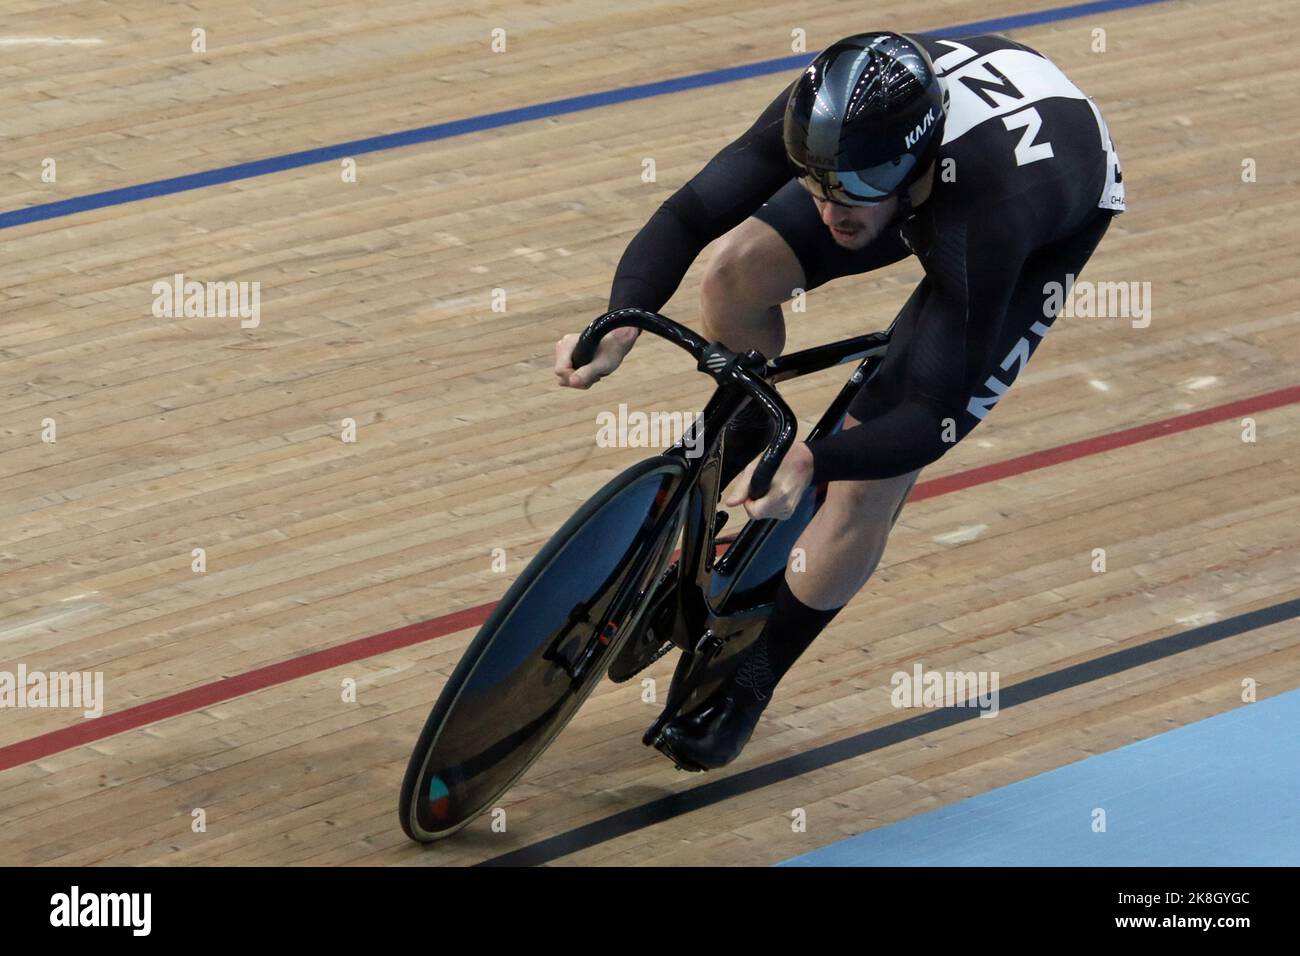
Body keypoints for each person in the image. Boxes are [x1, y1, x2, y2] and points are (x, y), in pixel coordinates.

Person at [554, 31, 1125, 770]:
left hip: (1039, 205)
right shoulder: (827, 126)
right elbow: (690, 216)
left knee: (865, 482)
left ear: (911, 166)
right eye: (817, 188)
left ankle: (748, 688)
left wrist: (818, 459)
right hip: (916, 161)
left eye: (851, 194)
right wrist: (624, 315)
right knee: (734, 273)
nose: (831, 215)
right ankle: (746, 448)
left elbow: (932, 418)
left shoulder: (989, 216)